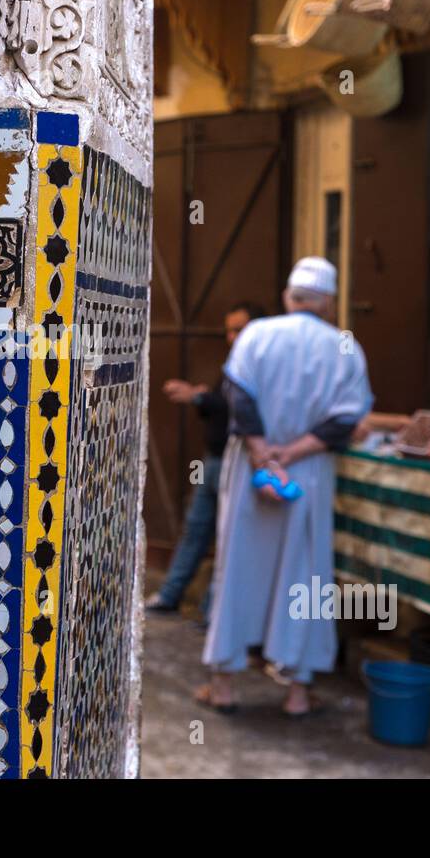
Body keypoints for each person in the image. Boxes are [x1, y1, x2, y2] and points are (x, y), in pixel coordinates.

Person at [197, 257, 373, 718]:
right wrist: (290, 456)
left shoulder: (256, 334)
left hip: (251, 469)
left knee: (235, 567)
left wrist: (262, 454)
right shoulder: (345, 348)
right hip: (308, 473)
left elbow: (238, 394)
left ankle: (224, 685)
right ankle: (297, 692)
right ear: (330, 303)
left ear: (287, 296)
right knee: (305, 574)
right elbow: (345, 419)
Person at [146, 302, 266, 618]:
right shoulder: (235, 364)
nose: (232, 336)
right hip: (213, 460)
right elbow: (222, 406)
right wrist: (200, 396)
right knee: (196, 529)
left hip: (237, 463)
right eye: (229, 330)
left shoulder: (258, 365)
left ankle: (213, 611)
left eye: (239, 329)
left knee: (230, 538)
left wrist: (197, 396)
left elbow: (237, 410)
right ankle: (170, 595)